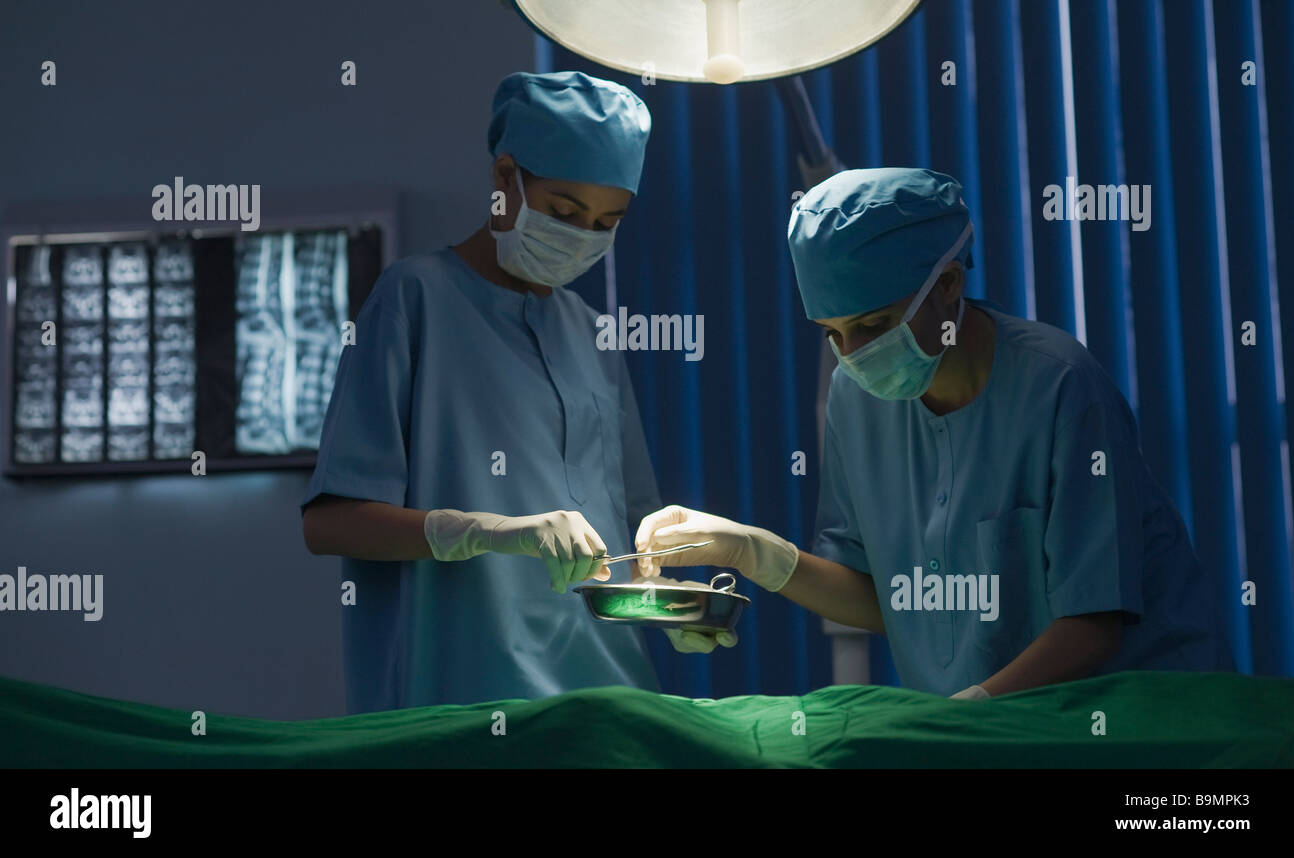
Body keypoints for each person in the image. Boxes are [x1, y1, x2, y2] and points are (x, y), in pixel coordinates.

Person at [636, 167, 1235, 697]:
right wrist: (753, 552)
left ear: (948, 284)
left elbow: (1095, 617)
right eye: (832, 332)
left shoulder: (1059, 385)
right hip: (989, 730)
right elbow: (890, 599)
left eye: (873, 323)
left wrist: (971, 713)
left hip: (1137, 716)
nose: (854, 354)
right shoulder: (856, 395)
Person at [302, 70, 691, 712]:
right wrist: (486, 531)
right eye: (565, 213)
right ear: (504, 179)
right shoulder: (413, 299)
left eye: (606, 222)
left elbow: (629, 544)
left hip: (607, 700)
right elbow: (329, 523)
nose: (583, 235)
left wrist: (676, 613)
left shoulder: (595, 337)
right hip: (458, 702)